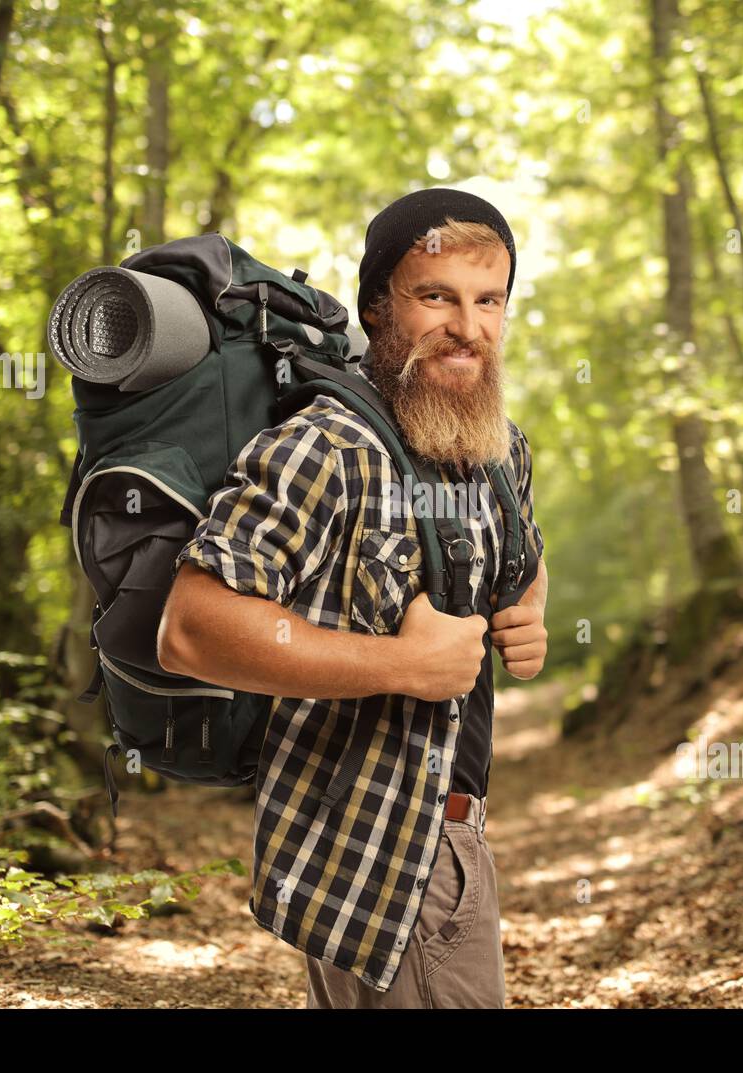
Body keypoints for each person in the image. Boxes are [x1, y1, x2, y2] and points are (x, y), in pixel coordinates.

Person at [157, 188, 548, 1008]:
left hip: (452, 833)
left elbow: (522, 562)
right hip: (383, 853)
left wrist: (532, 610)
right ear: (378, 310)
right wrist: (402, 664)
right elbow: (191, 628)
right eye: (435, 296)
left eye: (489, 301)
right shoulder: (325, 446)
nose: (468, 327)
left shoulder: (497, 446)